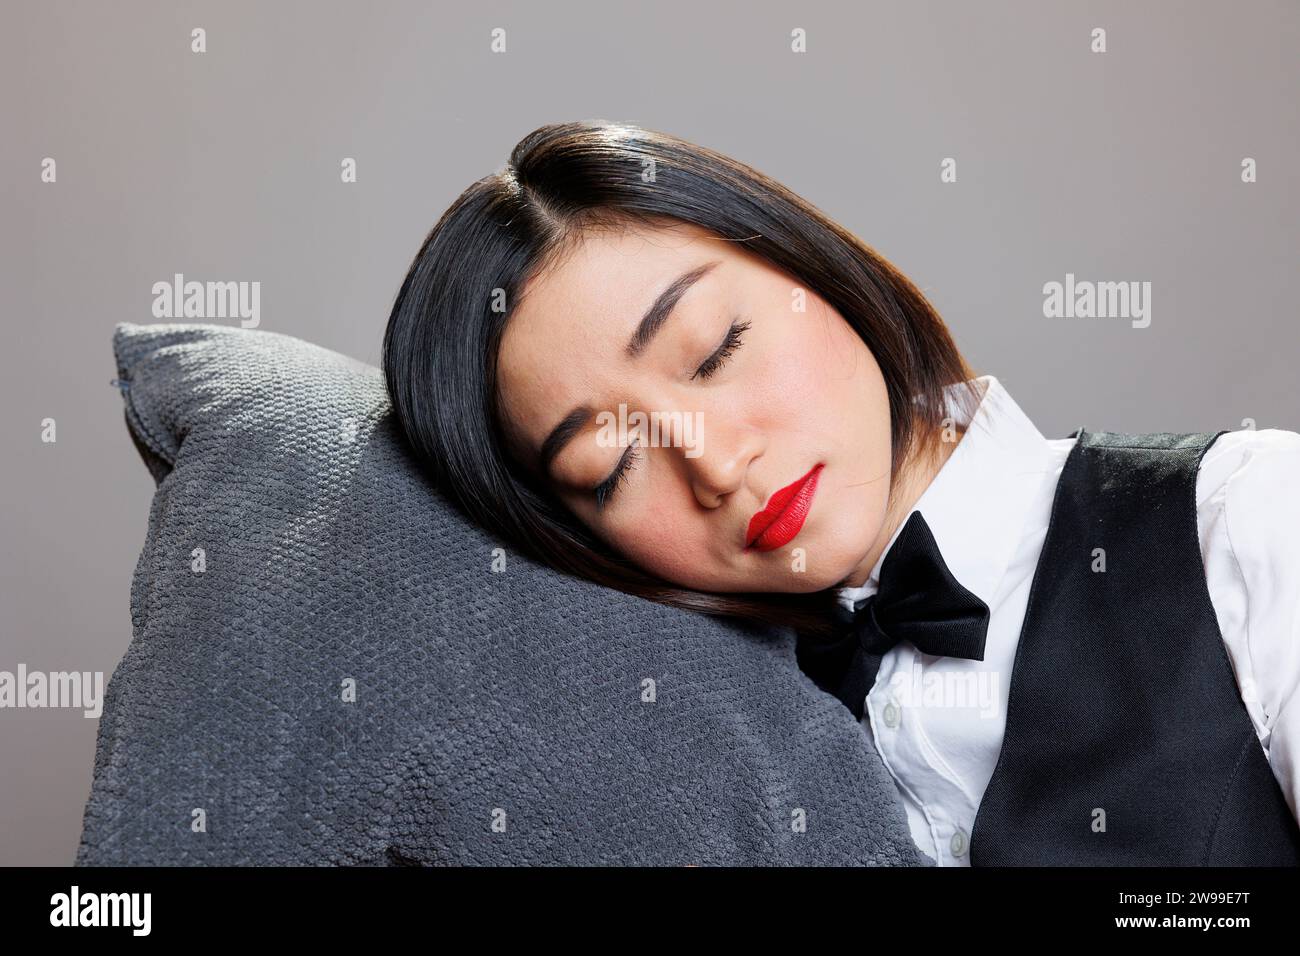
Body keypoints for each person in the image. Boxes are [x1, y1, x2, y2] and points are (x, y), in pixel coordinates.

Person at [382, 120, 1300, 866]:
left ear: (813, 269)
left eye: (714, 349)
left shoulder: (1246, 515)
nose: (714, 466)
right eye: (611, 468)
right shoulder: (688, 743)